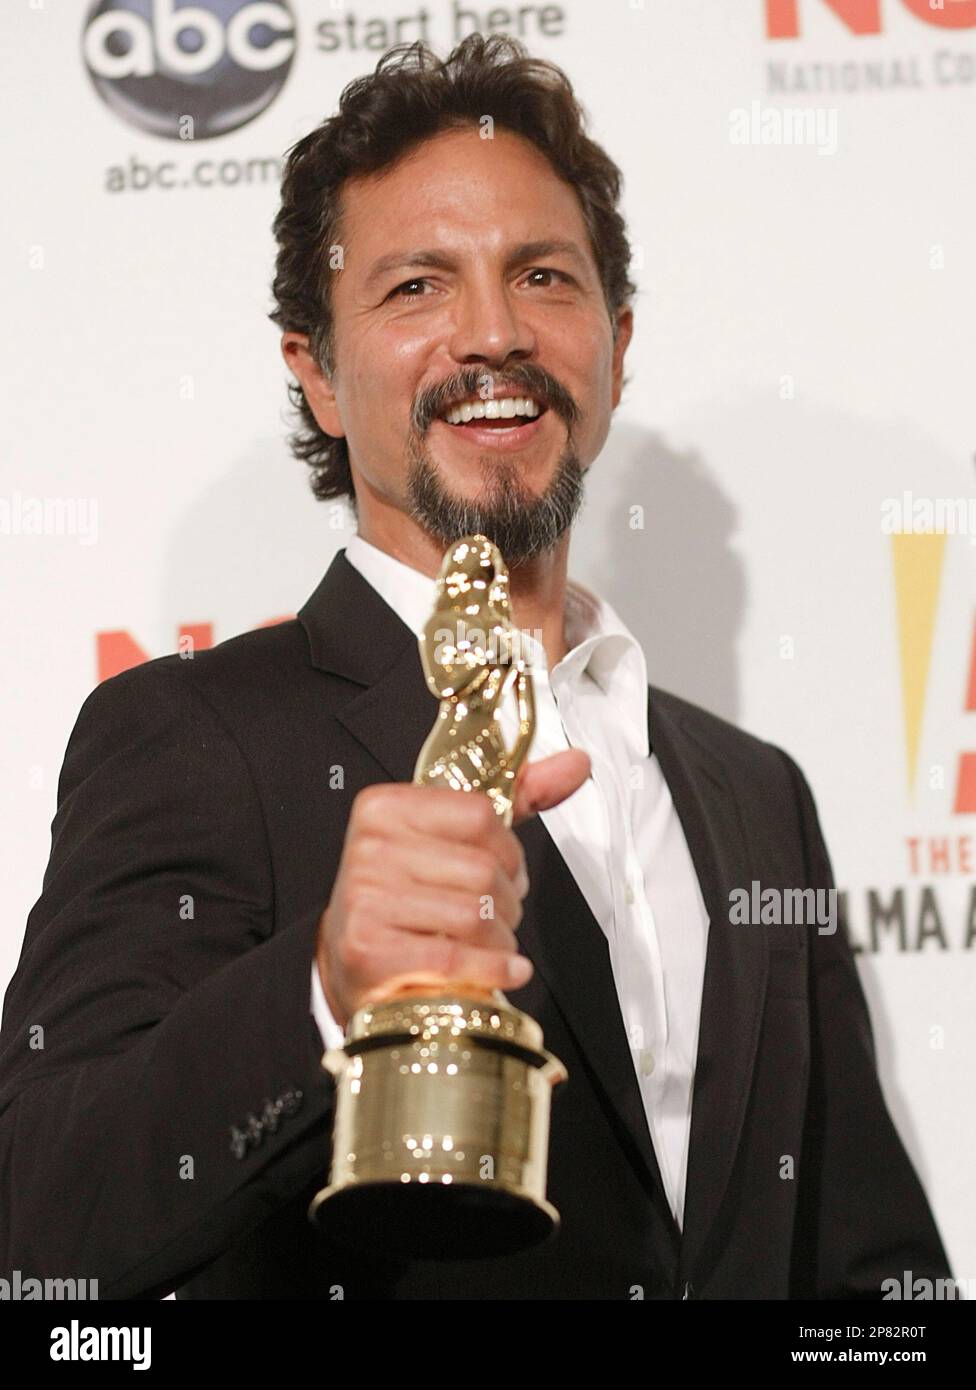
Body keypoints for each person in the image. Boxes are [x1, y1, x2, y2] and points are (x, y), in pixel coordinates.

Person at [0, 34, 953, 1300]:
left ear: (615, 341)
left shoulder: (752, 793)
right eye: (414, 288)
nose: (491, 333)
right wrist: (323, 991)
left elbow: (862, 1255)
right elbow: (38, 1221)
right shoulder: (192, 737)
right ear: (318, 375)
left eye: (541, 276)